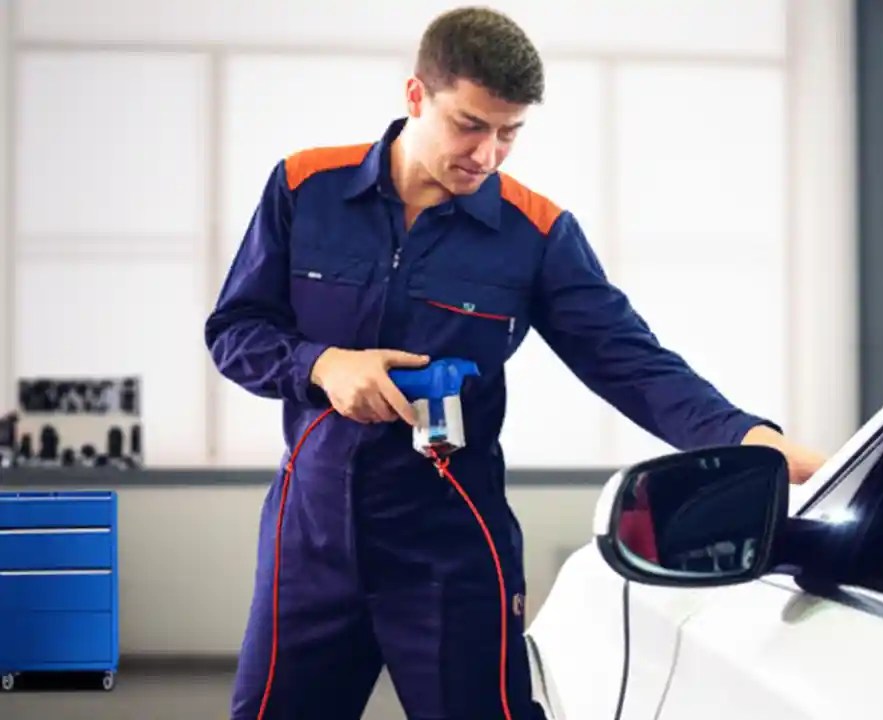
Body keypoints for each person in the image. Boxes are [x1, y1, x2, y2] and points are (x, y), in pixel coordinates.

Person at [205, 6, 827, 719]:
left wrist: (748, 440)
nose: (488, 154)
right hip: (308, 536)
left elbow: (631, 362)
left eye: (511, 132)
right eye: (470, 125)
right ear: (416, 97)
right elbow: (235, 331)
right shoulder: (304, 187)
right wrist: (323, 366)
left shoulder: (536, 234)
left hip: (450, 542)